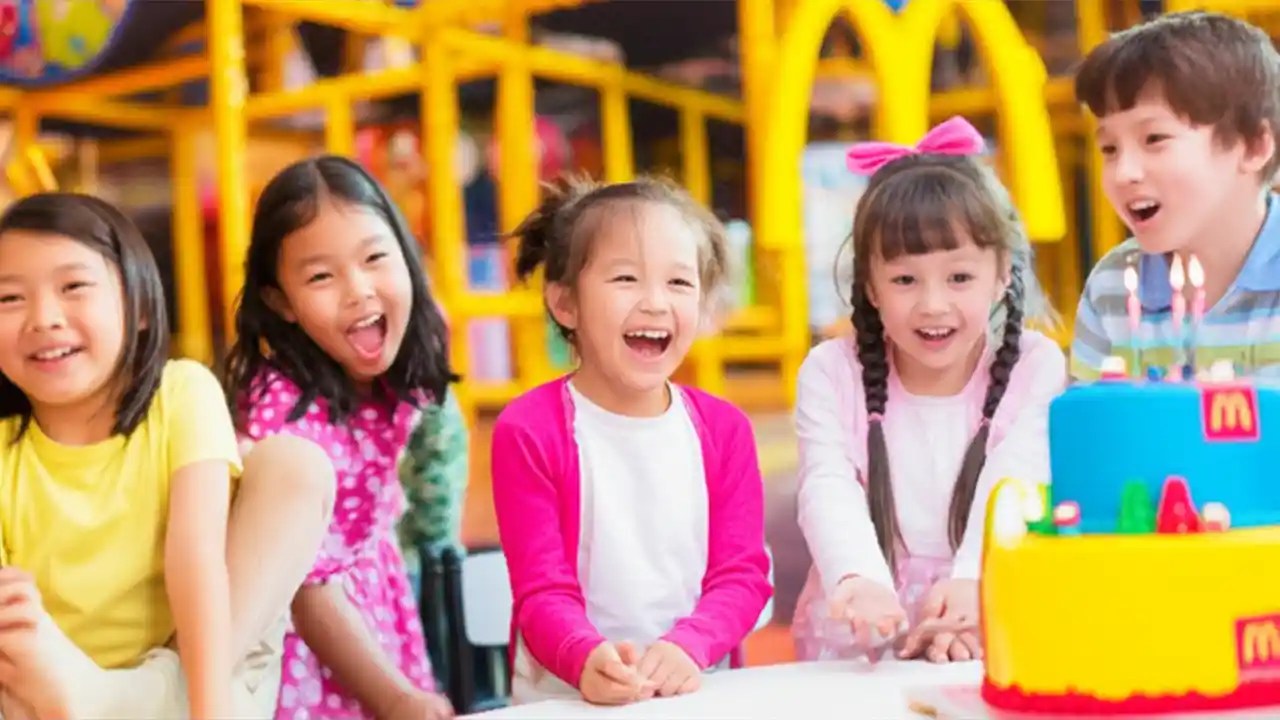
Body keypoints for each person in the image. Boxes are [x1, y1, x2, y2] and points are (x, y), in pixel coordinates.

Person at [0, 193, 334, 719]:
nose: (44, 318)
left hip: (192, 673)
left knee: (295, 466)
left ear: (138, 308)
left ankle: (148, 700)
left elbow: (195, 560)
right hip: (52, 688)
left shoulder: (180, 391)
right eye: (9, 299)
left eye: (74, 287)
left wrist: (207, 711)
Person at [791, 117, 1067, 664]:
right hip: (860, 628)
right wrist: (861, 580)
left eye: (959, 277)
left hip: (987, 605)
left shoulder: (1034, 365)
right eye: (904, 280)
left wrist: (973, 580)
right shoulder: (830, 371)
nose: (933, 305)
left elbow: (1018, 474)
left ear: (1002, 274)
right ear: (870, 287)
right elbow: (826, 484)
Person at [492, 176, 772, 706]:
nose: (655, 302)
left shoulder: (724, 430)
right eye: (626, 278)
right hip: (566, 701)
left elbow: (742, 576)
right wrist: (584, 657)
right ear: (565, 304)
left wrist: (690, 645)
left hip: (697, 693)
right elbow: (541, 589)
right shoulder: (529, 430)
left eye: (679, 282)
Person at [223, 156, 457, 720]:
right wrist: (394, 697)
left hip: (376, 616)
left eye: (375, 258)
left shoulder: (397, 366)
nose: (359, 291)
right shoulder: (285, 412)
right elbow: (307, 589)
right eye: (320, 277)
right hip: (317, 652)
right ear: (281, 301)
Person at [1070, 11, 1280, 380]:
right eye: (1109, 149)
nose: (1124, 173)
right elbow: (1089, 414)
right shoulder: (1112, 288)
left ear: (1253, 146)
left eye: (1154, 139)